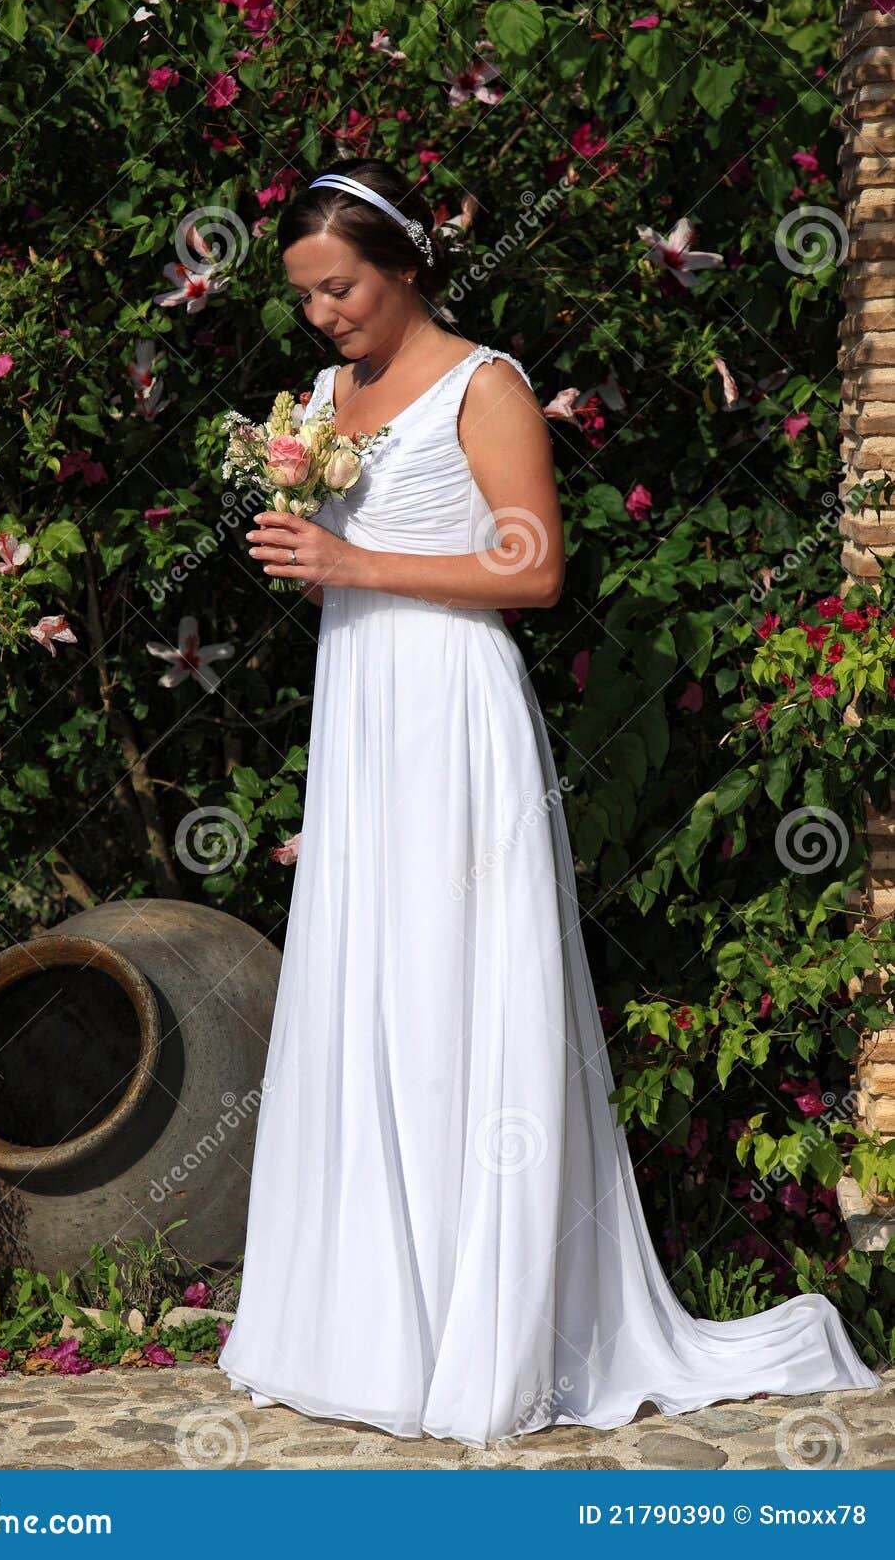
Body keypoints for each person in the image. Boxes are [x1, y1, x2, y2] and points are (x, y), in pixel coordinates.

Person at [215, 157, 883, 1449]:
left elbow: (531, 564)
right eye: (304, 298)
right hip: (361, 708)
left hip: (454, 714)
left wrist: (352, 556)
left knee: (459, 982)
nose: (323, 318)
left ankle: (487, 1322)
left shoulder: (488, 383)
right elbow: (356, 565)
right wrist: (314, 563)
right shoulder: (324, 398)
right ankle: (365, 1319)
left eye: (340, 288)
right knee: (373, 982)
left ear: (404, 265)